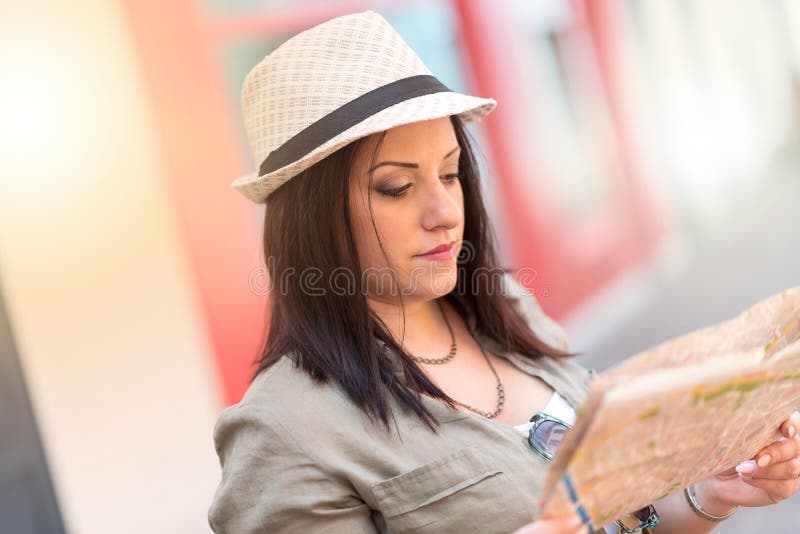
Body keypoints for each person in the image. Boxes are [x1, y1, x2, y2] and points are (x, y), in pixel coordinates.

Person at [207, 10, 800, 534]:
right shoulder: (281, 432)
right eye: (396, 187)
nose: (444, 212)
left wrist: (709, 495)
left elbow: (625, 521)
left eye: (448, 173)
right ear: (313, 218)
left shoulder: (507, 308)